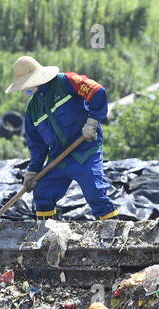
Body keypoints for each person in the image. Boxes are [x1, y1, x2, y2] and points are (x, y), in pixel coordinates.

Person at [7, 55, 117, 219]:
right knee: (43, 191)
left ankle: (112, 235)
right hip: (59, 157)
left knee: (95, 192)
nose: (25, 89)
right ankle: (47, 236)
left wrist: (92, 122)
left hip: (85, 150)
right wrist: (33, 171)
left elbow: (97, 91)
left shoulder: (67, 81)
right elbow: (37, 145)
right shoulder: (33, 110)